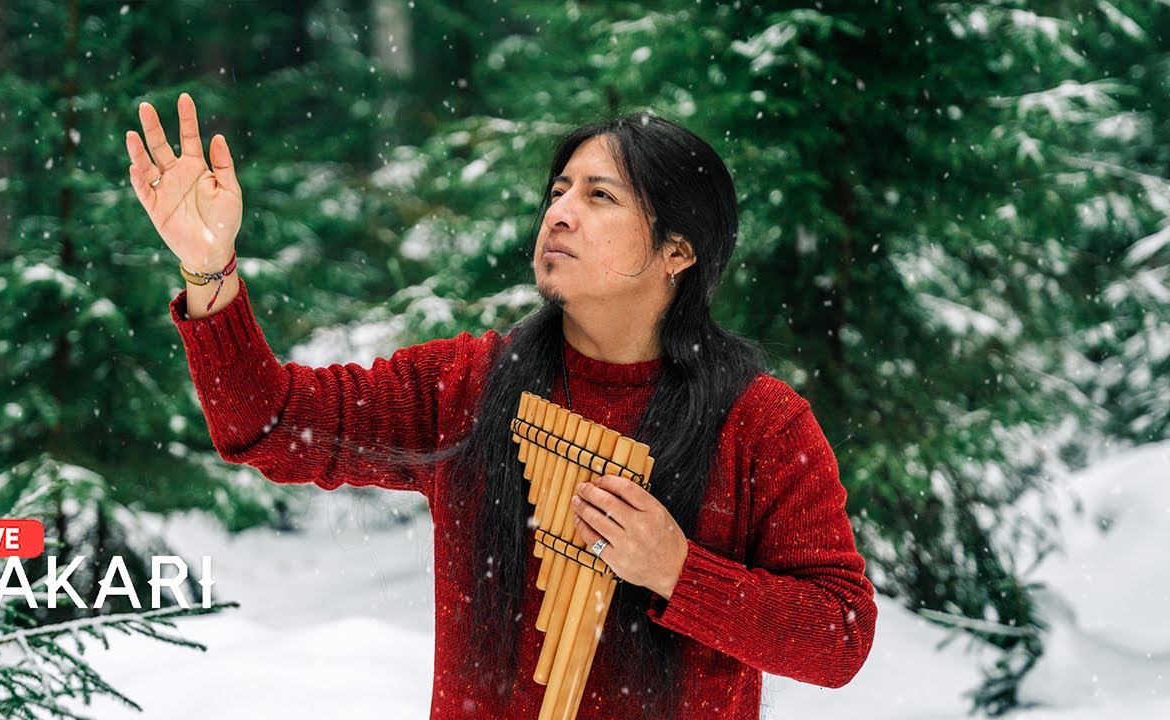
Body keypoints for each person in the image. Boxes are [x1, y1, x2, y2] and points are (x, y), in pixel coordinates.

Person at [125, 93, 877, 719]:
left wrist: (680, 570)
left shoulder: (760, 423)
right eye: (558, 192)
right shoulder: (466, 385)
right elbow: (272, 425)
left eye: (599, 196)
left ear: (678, 251)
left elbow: (840, 640)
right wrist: (207, 265)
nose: (560, 214)